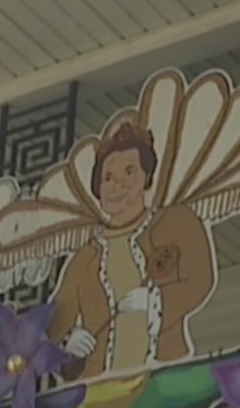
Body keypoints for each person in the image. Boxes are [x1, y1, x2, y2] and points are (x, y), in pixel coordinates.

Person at [47, 122, 215, 379]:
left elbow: (201, 279)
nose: (118, 185)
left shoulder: (175, 222)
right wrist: (68, 343)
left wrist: (155, 301)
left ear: (147, 177)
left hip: (162, 378)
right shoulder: (85, 258)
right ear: (98, 189)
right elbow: (53, 321)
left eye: (129, 171)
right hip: (99, 387)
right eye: (108, 178)